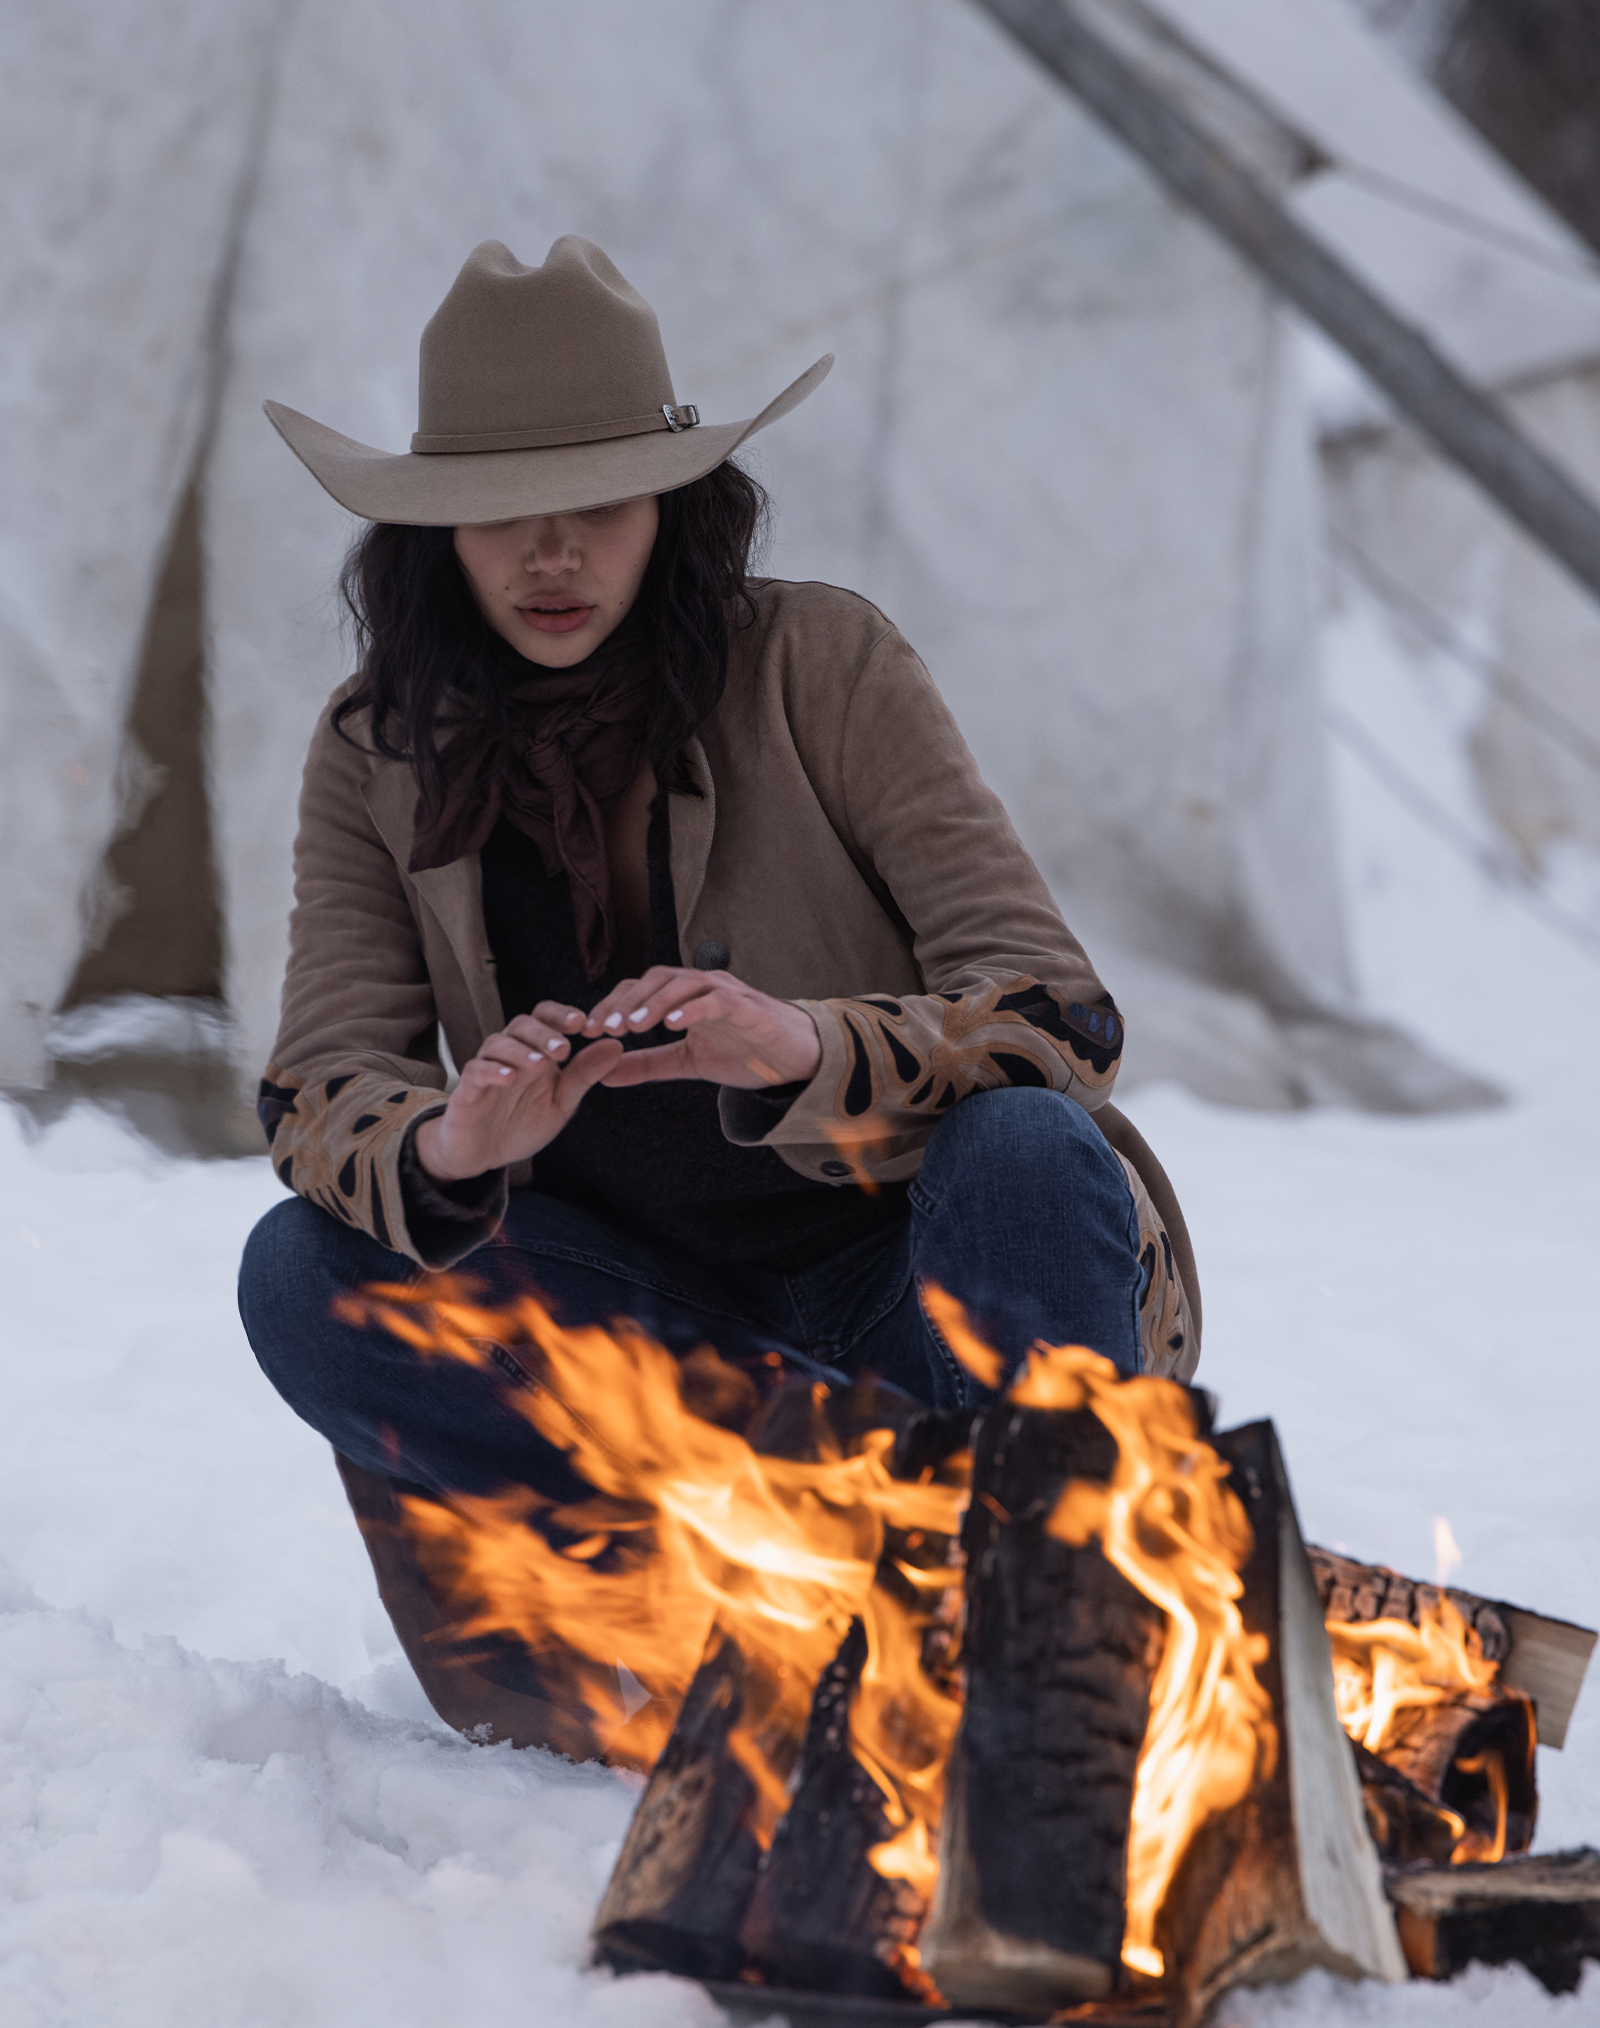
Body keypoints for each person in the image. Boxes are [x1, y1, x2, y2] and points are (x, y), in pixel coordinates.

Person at [239, 235, 1201, 1745]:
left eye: (599, 508)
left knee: (1025, 1151)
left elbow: (1052, 1017)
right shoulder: (376, 743)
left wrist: (800, 1046)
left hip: (906, 1298)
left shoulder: (821, 660)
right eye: (501, 520)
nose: (551, 557)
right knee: (301, 1269)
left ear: (674, 506)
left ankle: (1054, 1637)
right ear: (436, 535)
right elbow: (318, 1087)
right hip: (648, 1352)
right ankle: (764, 1577)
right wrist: (452, 1147)